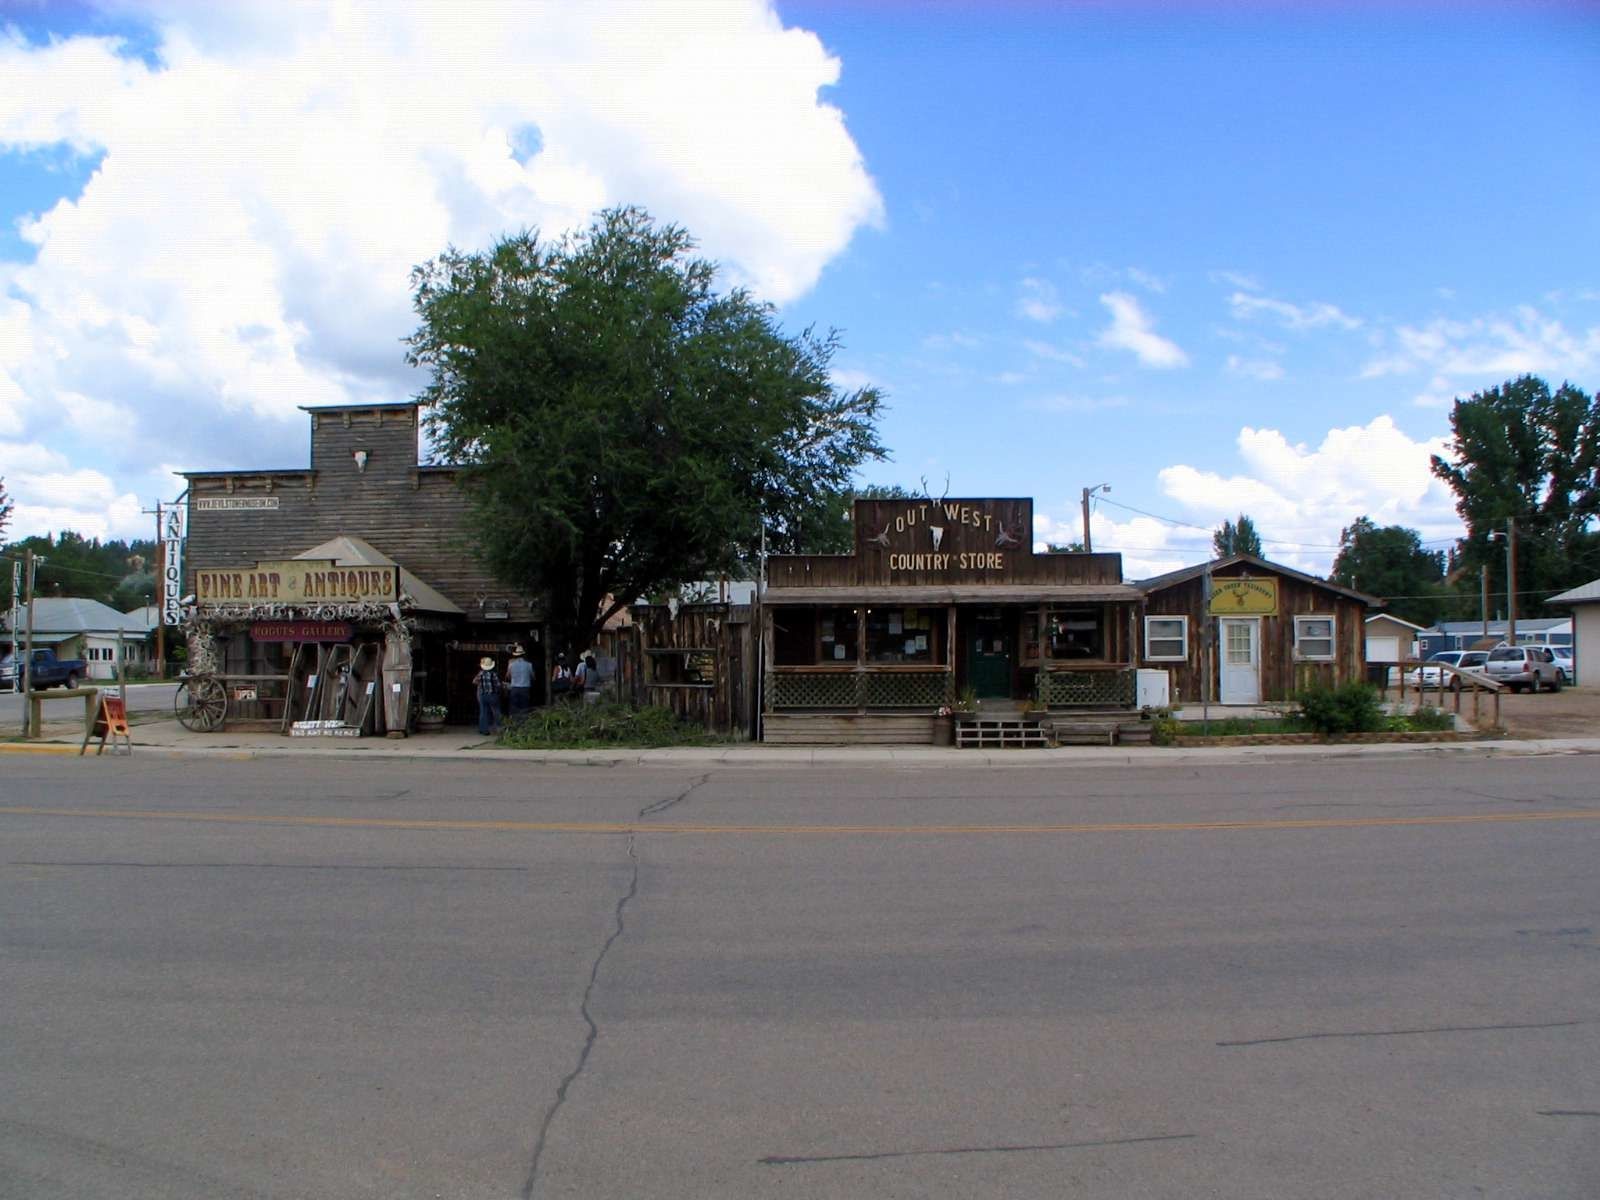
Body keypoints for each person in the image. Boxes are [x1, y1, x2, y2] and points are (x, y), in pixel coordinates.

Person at [473, 655, 502, 735]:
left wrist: (480, 684)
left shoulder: (480, 673)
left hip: (483, 695)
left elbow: (474, 681)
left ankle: (483, 730)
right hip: (492, 695)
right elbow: (498, 685)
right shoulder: (494, 674)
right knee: (496, 711)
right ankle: (499, 728)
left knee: (483, 712)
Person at [506, 644, 534, 719]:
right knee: (524, 707)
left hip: (514, 688)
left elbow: (508, 676)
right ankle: (523, 724)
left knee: (513, 707)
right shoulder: (529, 665)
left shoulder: (511, 664)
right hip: (525, 688)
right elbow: (532, 676)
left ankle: (514, 722)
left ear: (515, 655)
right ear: (523, 655)